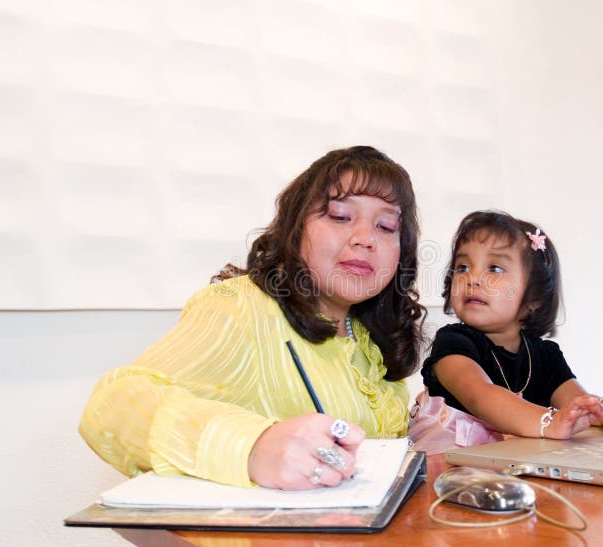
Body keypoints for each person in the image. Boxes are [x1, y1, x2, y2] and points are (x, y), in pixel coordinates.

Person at [80, 146, 425, 490]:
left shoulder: (368, 338)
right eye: (338, 216)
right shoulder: (241, 307)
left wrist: (416, 443)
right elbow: (112, 407)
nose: (365, 238)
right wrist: (254, 446)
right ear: (295, 228)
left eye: (386, 225)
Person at [408, 210, 603, 454]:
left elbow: (575, 405)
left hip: (515, 472)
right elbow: (482, 396)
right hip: (450, 472)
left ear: (533, 298)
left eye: (495, 269)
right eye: (462, 267)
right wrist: (550, 422)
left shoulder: (545, 355)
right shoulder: (453, 343)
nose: (472, 279)